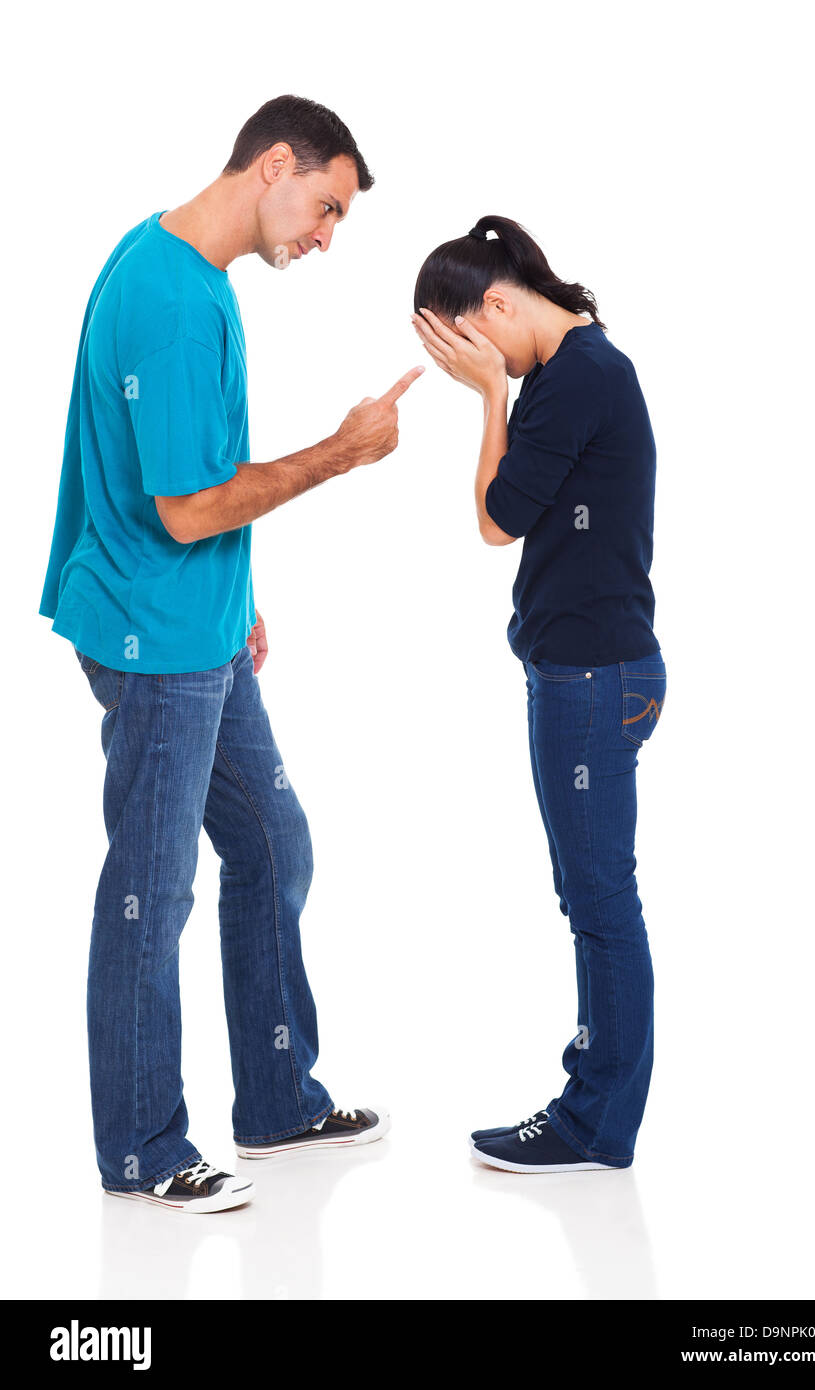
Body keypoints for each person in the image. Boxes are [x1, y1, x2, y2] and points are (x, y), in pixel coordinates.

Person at [39, 94, 423, 1213]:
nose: (324, 234)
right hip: (152, 642)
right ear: (271, 164)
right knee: (148, 897)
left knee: (270, 841)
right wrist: (344, 454)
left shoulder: (189, 273)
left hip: (200, 626)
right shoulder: (166, 297)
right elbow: (186, 509)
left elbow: (199, 480)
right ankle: (143, 1150)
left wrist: (241, 594)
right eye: (326, 206)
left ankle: (275, 1097)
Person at [411, 216, 666, 1174]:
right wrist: (495, 386)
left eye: (464, 342)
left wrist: (486, 398)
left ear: (498, 307)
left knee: (600, 902)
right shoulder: (574, 375)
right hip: (593, 673)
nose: (473, 364)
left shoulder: (576, 378)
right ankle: (596, 1113)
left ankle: (595, 1121)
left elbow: (494, 520)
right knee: (592, 896)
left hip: (593, 681)